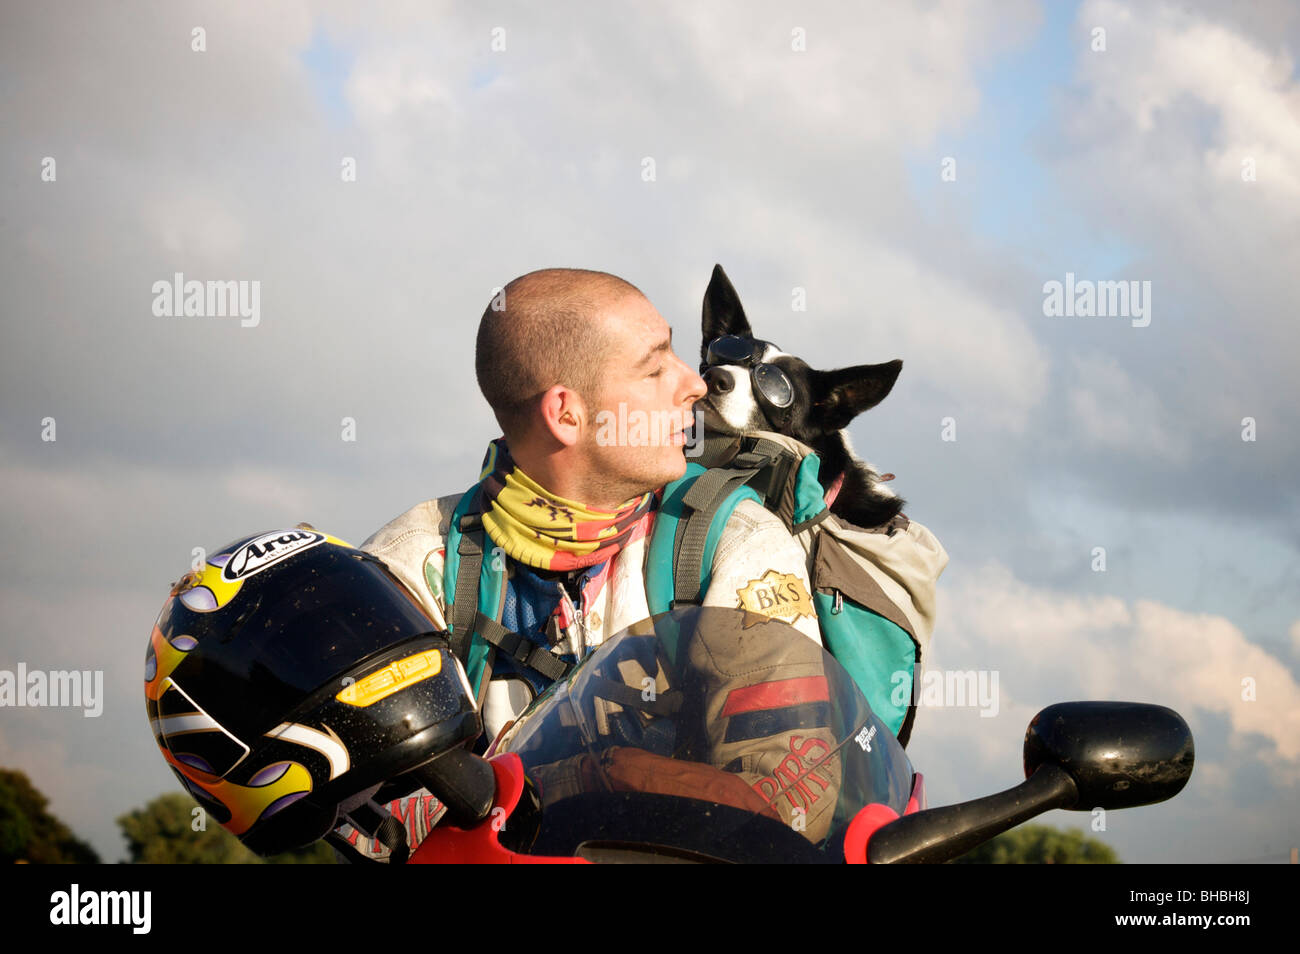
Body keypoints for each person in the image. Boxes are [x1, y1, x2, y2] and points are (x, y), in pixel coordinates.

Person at [334, 269, 824, 858]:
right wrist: (579, 784)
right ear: (565, 414)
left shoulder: (731, 541)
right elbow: (365, 825)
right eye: (654, 367)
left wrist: (596, 778)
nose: (694, 383)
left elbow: (795, 795)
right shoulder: (411, 564)